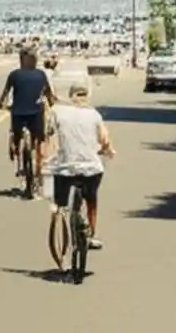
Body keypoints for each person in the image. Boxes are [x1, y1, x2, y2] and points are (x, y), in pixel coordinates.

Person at [48, 82, 114, 251]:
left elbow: (49, 134)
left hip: (65, 168)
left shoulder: (59, 112)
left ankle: (60, 227)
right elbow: (104, 139)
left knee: (59, 205)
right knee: (91, 200)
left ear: (71, 97)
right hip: (91, 168)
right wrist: (108, 150)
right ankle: (92, 234)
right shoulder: (95, 115)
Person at [0, 46, 56, 198]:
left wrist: (0, 104)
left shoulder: (14, 75)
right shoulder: (41, 74)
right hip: (36, 114)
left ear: (21, 61)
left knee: (16, 136)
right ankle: (39, 168)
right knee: (40, 141)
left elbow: (5, 93)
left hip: (18, 114)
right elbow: (49, 94)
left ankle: (17, 151)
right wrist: (51, 101)